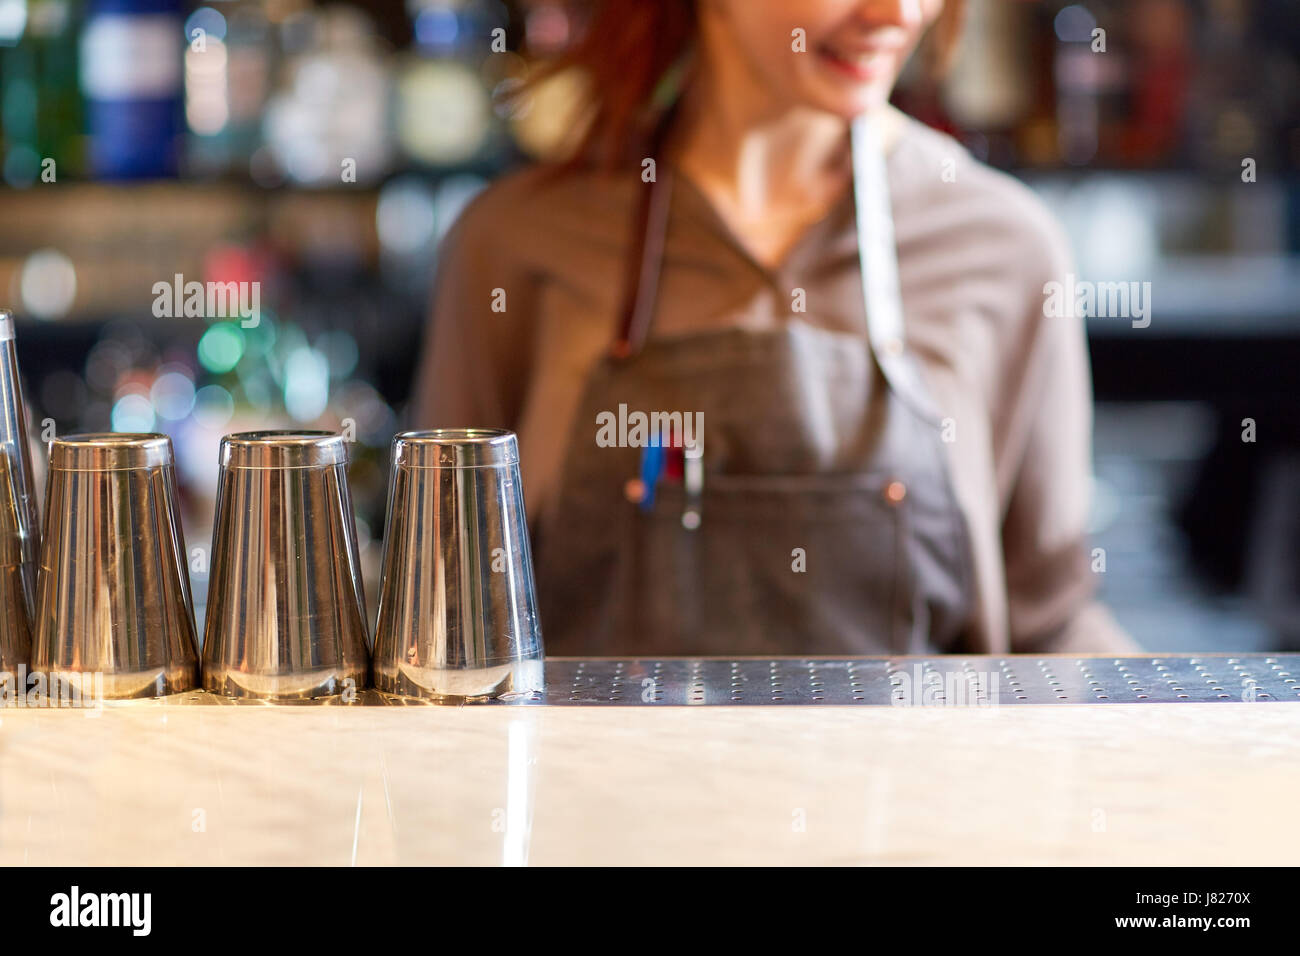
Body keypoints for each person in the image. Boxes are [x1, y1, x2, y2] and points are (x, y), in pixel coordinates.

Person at [413, 0, 1137, 657]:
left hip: (921, 802)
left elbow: (1049, 624)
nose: (898, 13)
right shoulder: (513, 245)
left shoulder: (1002, 246)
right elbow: (443, 618)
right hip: (589, 802)